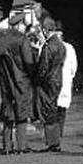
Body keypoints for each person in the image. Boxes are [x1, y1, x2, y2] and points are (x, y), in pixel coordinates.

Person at [0, 11, 35, 154]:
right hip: (21, 81)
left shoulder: (1, 39)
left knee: (7, 113)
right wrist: (33, 77)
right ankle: (21, 146)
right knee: (21, 114)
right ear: (19, 25)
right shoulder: (22, 40)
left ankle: (7, 147)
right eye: (23, 24)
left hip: (5, 82)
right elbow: (28, 62)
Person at [33, 17, 67, 152]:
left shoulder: (49, 46)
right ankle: (55, 141)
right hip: (58, 79)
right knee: (53, 109)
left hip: (48, 81)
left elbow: (43, 68)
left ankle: (52, 143)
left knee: (48, 111)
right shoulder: (61, 45)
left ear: (46, 30)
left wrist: (36, 80)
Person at [56, 21, 79, 145]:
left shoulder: (48, 46)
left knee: (52, 109)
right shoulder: (69, 48)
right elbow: (74, 66)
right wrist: (71, 76)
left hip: (52, 82)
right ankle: (60, 132)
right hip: (65, 82)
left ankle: (53, 134)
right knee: (62, 109)